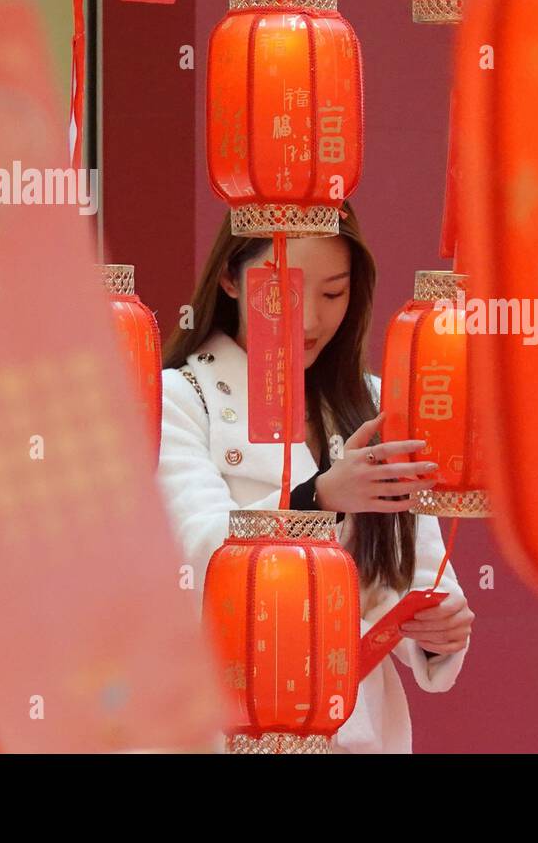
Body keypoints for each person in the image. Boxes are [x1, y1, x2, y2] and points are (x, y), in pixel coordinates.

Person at [157, 204, 472, 753]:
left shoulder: (374, 403)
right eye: (285, 293)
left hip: (353, 728)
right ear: (230, 278)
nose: (308, 322)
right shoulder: (179, 398)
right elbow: (199, 552)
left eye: (332, 294)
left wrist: (438, 627)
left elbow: (414, 573)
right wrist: (318, 499)